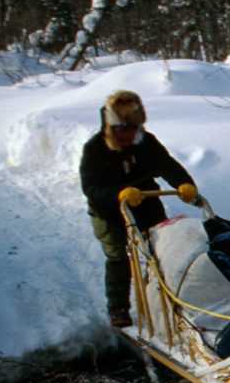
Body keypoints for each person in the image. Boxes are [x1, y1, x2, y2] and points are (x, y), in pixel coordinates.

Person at [79, 90, 198, 327]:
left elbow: (168, 166)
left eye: (131, 129)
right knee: (117, 257)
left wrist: (185, 184)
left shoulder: (147, 143)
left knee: (161, 252)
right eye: (121, 130)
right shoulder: (95, 148)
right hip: (108, 209)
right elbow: (90, 187)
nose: (126, 135)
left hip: (145, 203)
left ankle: (168, 300)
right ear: (111, 127)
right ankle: (118, 309)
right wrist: (117, 195)